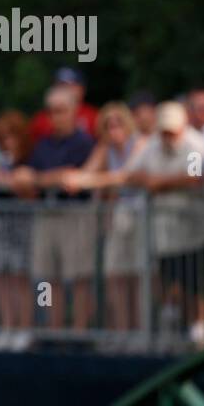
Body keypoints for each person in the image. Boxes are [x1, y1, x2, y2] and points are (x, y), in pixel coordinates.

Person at [127, 102, 204, 346]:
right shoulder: (152, 145)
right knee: (168, 279)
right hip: (166, 232)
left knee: (195, 282)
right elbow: (133, 173)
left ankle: (199, 330)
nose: (167, 137)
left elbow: (195, 177)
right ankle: (174, 327)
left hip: (196, 228)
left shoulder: (195, 145)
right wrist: (150, 181)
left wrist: (159, 183)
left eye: (172, 131)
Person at [60, 102, 148, 336]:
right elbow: (87, 172)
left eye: (118, 124)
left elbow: (125, 176)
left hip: (142, 217)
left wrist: (87, 181)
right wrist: (71, 176)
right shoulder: (104, 148)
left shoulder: (140, 143)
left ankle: (141, 333)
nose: (113, 130)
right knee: (115, 274)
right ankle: (122, 332)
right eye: (108, 126)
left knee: (138, 277)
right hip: (118, 217)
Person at [13, 86, 97, 331]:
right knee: (47, 279)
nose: (55, 117)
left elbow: (70, 178)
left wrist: (39, 179)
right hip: (46, 214)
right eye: (51, 112)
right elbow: (27, 179)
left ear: (73, 112)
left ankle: (80, 331)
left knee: (79, 277)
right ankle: (54, 328)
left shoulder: (83, 142)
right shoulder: (42, 145)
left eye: (60, 111)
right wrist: (42, 180)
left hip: (76, 215)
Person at [0, 111, 34, 350]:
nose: (6, 141)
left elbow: (29, 192)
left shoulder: (30, 157)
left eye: (10, 135)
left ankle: (25, 327)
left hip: (22, 223)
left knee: (21, 276)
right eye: (2, 137)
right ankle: (7, 326)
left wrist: (9, 181)